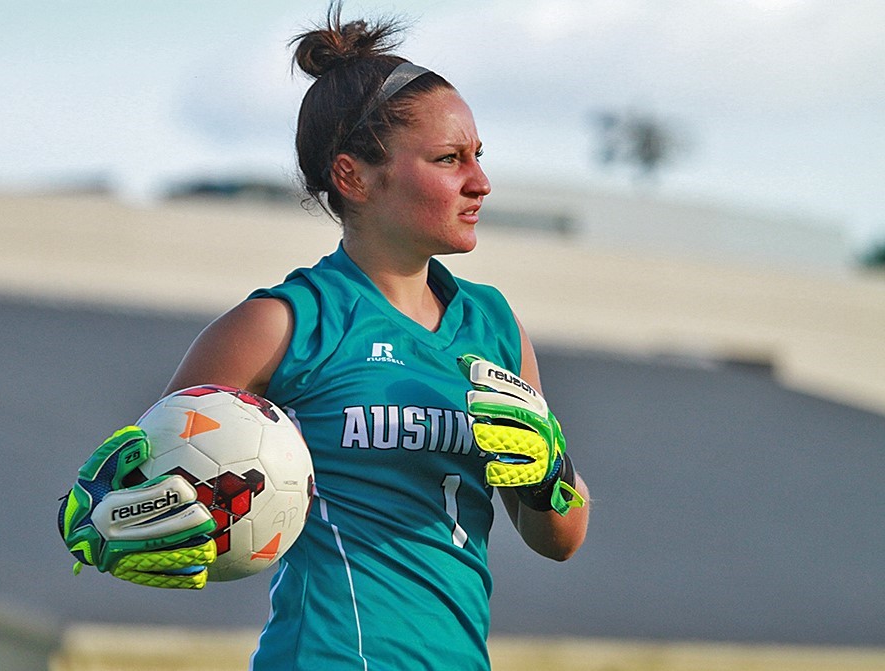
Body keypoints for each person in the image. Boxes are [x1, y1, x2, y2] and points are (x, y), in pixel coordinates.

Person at [58, 5, 589, 669]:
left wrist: (551, 474)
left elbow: (560, 537)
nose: (479, 181)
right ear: (353, 176)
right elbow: (124, 492)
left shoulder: (495, 328)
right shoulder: (283, 323)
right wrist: (102, 520)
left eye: (479, 157)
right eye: (449, 159)